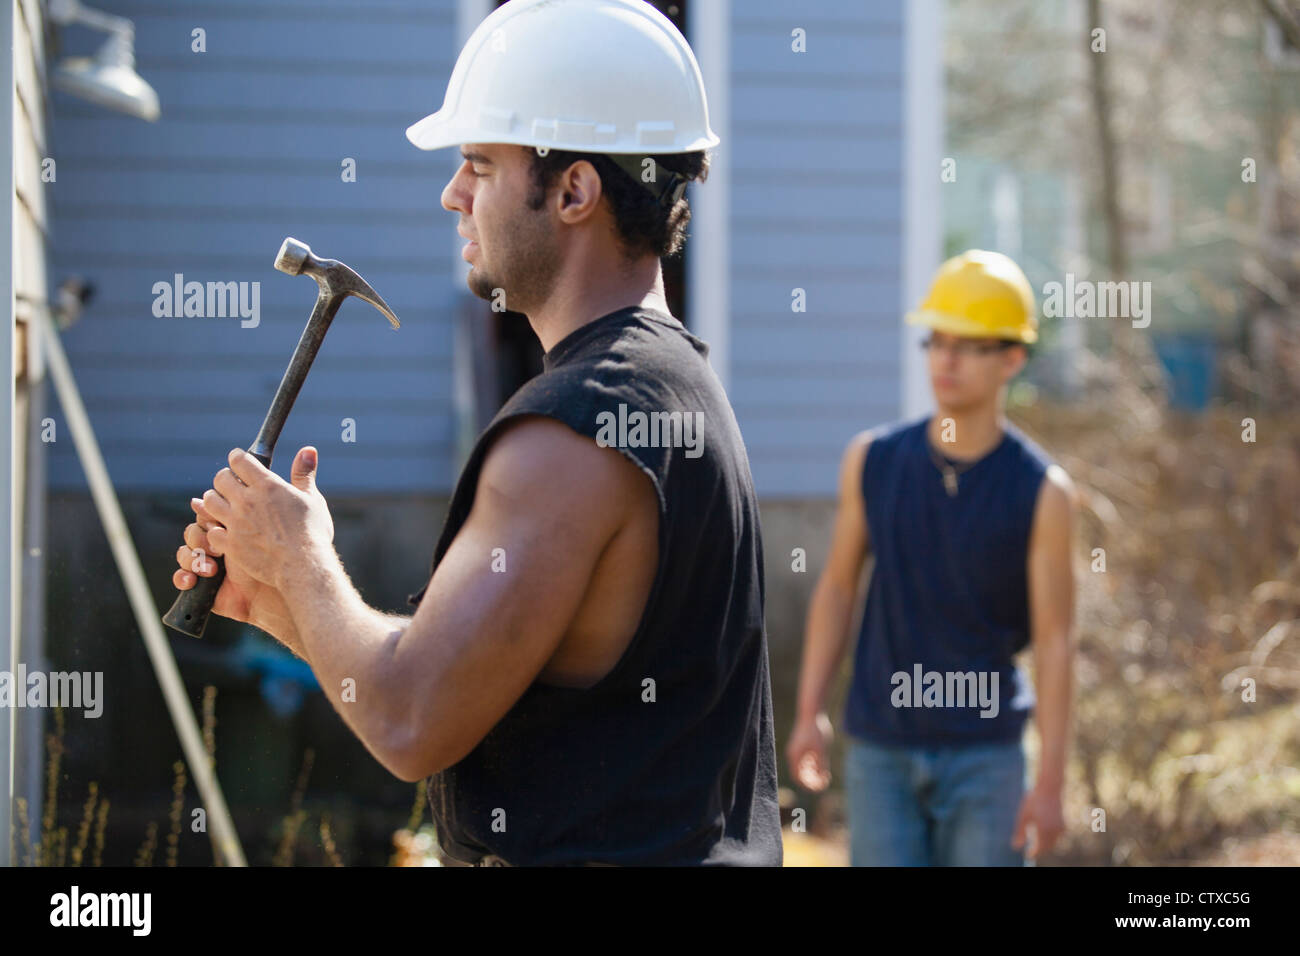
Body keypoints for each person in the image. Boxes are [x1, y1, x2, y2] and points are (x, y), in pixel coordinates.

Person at [172, 0, 782, 866]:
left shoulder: (575, 431)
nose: (452, 194)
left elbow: (411, 718)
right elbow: (459, 686)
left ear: (574, 190)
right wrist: (279, 596)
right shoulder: (668, 386)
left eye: (478, 164)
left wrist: (302, 555)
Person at [787, 250, 1076, 866]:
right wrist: (810, 711)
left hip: (988, 756)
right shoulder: (872, 460)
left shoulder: (1043, 491)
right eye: (937, 340)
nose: (946, 359)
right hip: (880, 751)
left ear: (1011, 359)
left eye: (969, 345)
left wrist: (1049, 783)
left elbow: (1055, 641)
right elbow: (837, 588)